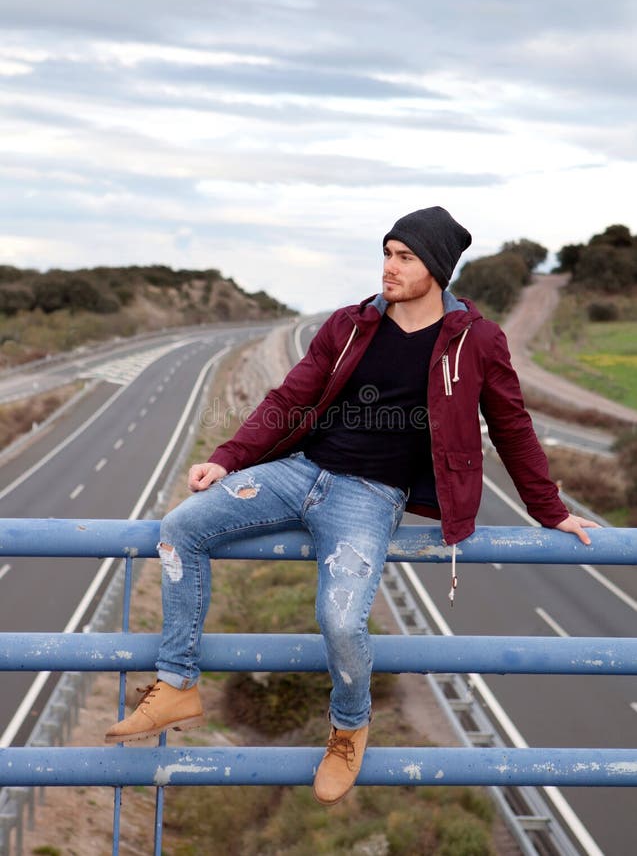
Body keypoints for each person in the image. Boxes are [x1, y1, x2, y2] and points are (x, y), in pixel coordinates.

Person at [105, 206, 597, 805]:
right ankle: (177, 683)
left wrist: (550, 511)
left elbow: (512, 426)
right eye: (387, 253)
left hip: (370, 496)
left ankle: (348, 726)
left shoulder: (475, 341)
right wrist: (229, 458)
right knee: (181, 527)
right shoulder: (352, 324)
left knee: (340, 620)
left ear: (436, 269)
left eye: (404, 257)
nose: (389, 267)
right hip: (299, 472)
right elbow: (290, 397)